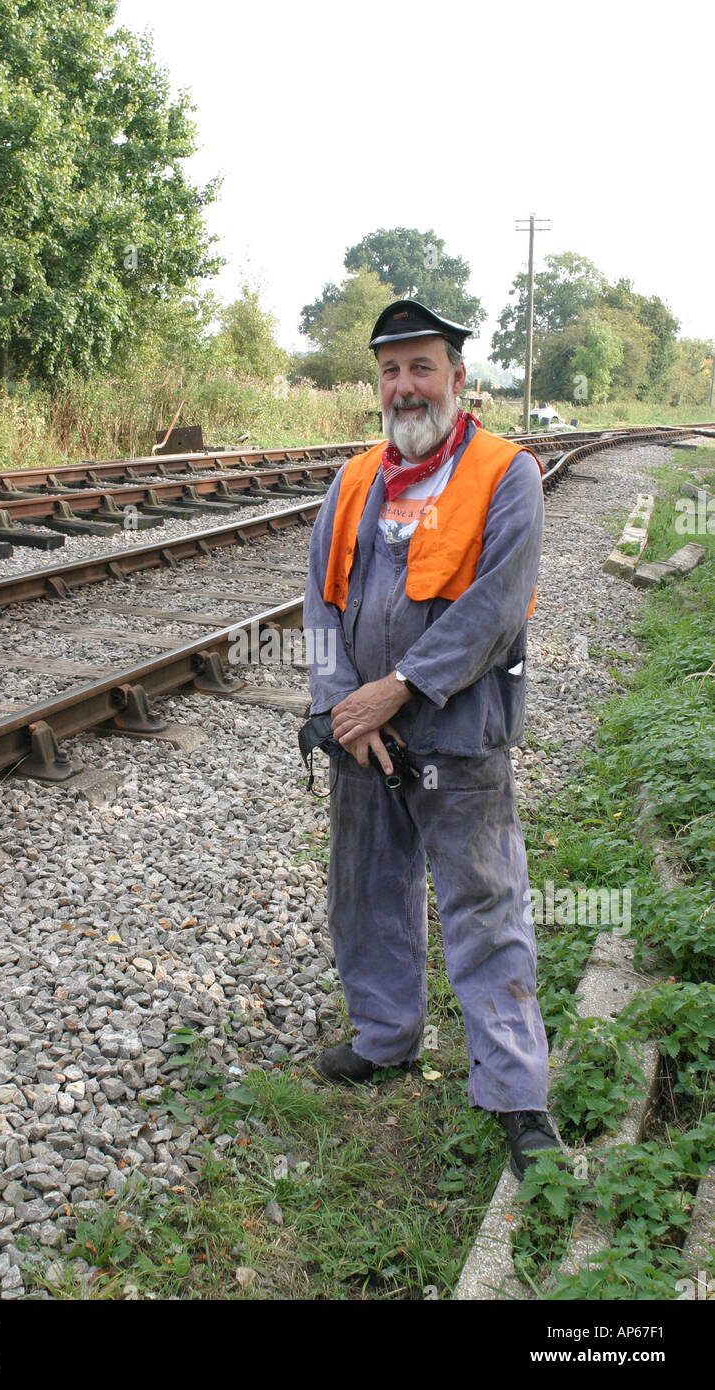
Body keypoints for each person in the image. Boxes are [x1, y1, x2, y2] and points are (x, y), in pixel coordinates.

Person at [303, 299, 562, 1179]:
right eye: (390, 371)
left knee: (485, 907)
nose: (405, 387)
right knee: (366, 892)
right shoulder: (353, 482)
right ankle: (384, 1037)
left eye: (422, 368)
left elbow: (497, 608)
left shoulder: (506, 474)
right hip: (364, 743)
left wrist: (397, 690)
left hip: (457, 737)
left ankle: (518, 1097)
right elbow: (320, 605)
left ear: (457, 377)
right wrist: (342, 704)